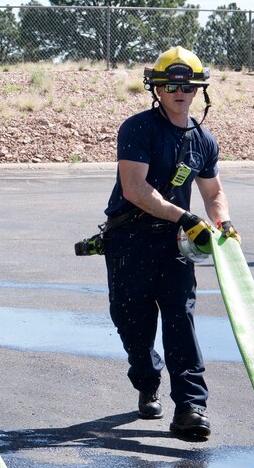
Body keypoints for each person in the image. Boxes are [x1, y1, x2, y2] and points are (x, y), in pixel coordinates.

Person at [102, 46, 240, 439]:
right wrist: (186, 216)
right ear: (157, 89)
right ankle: (147, 381)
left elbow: (213, 192)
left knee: (181, 318)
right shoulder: (138, 129)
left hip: (175, 245)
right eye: (171, 85)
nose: (180, 92)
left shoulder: (204, 141)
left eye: (188, 86)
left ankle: (191, 407)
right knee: (133, 324)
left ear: (198, 90)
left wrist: (223, 221)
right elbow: (134, 189)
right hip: (129, 241)